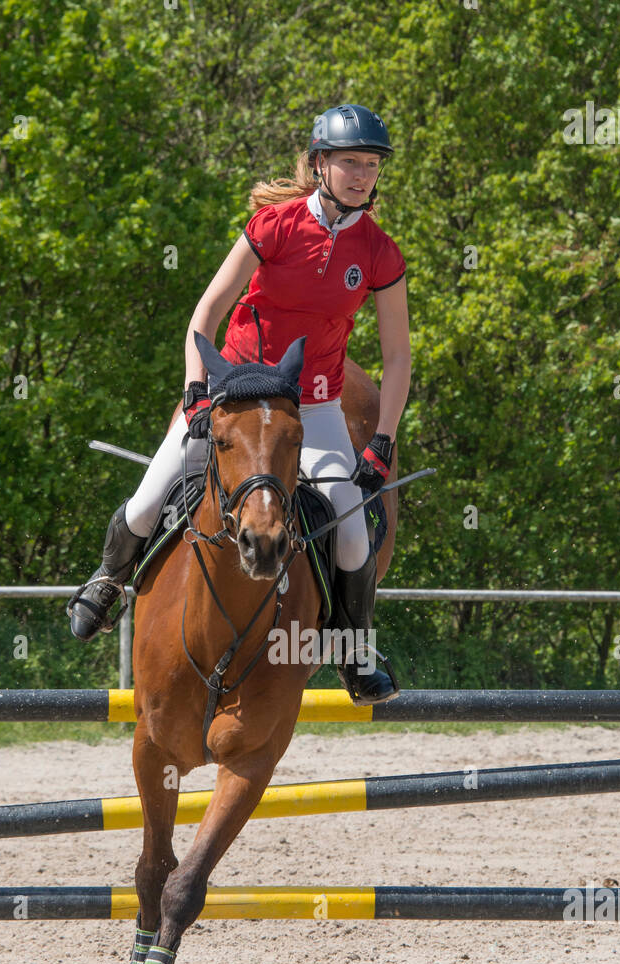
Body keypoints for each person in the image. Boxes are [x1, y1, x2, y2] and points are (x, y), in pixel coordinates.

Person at [67, 103, 411, 703]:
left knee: (353, 532)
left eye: (371, 164)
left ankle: (354, 654)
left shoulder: (380, 253)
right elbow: (206, 313)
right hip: (237, 393)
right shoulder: (275, 226)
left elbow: (398, 357)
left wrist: (381, 439)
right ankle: (107, 582)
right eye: (349, 161)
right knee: (152, 497)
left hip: (316, 406)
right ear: (319, 164)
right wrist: (196, 392)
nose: (361, 174)